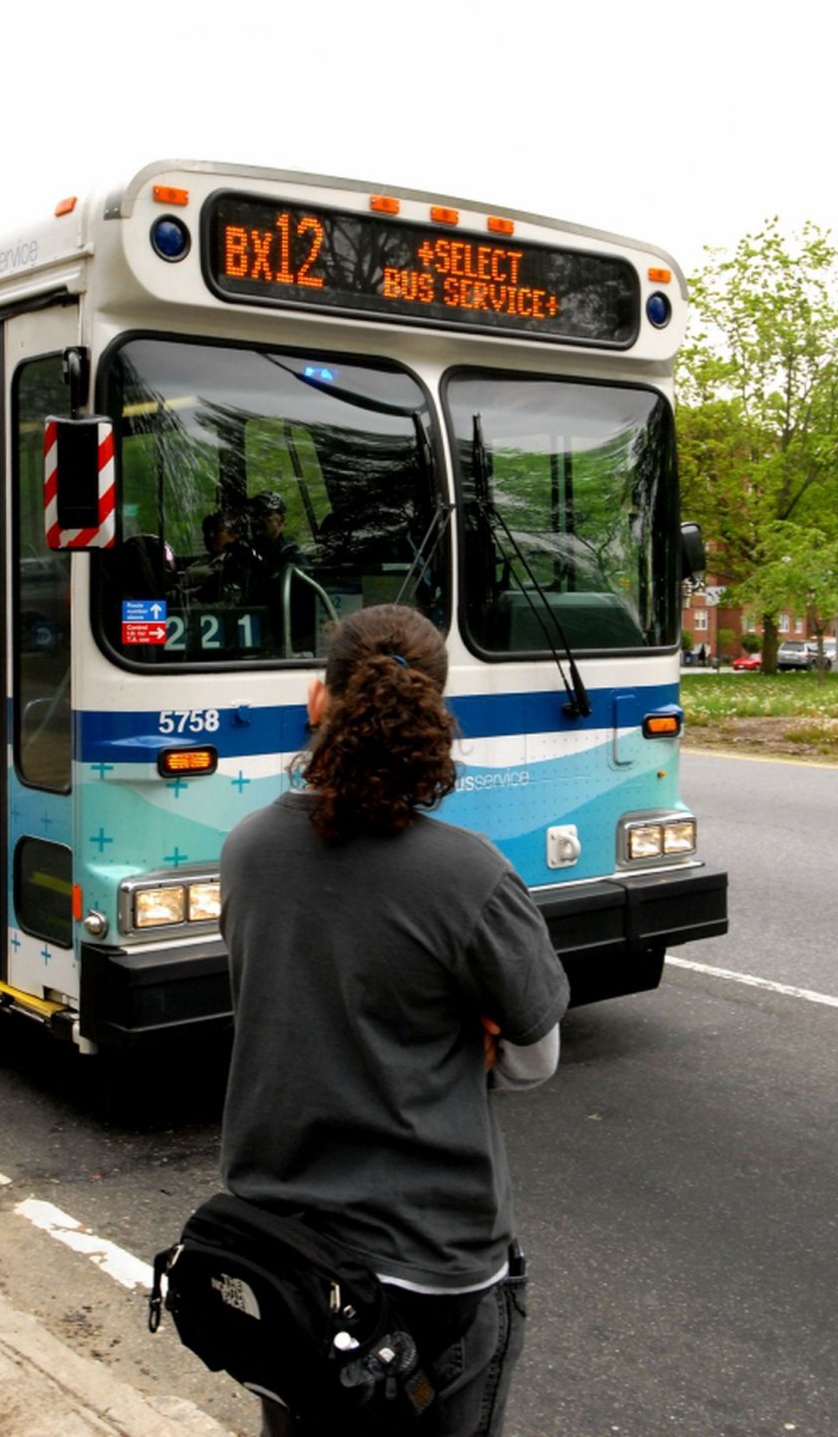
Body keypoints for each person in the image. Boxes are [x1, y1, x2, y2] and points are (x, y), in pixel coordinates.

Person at [219, 603, 569, 1436]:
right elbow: (535, 1058)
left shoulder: (246, 850)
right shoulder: (470, 876)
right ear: (437, 716)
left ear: (317, 702)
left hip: (280, 1252)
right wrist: (474, 1039)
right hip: (430, 1264)